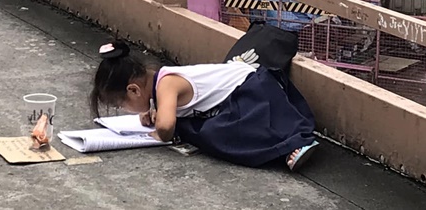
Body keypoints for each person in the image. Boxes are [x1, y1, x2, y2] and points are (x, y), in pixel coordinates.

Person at [90, 41, 319, 171]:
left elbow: (167, 126)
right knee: (202, 128)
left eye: (121, 104)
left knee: (213, 133)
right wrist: (152, 112)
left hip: (252, 90)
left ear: (134, 90)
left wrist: (159, 132)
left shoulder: (167, 84)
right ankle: (286, 145)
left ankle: (297, 143)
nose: (125, 109)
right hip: (240, 95)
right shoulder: (159, 86)